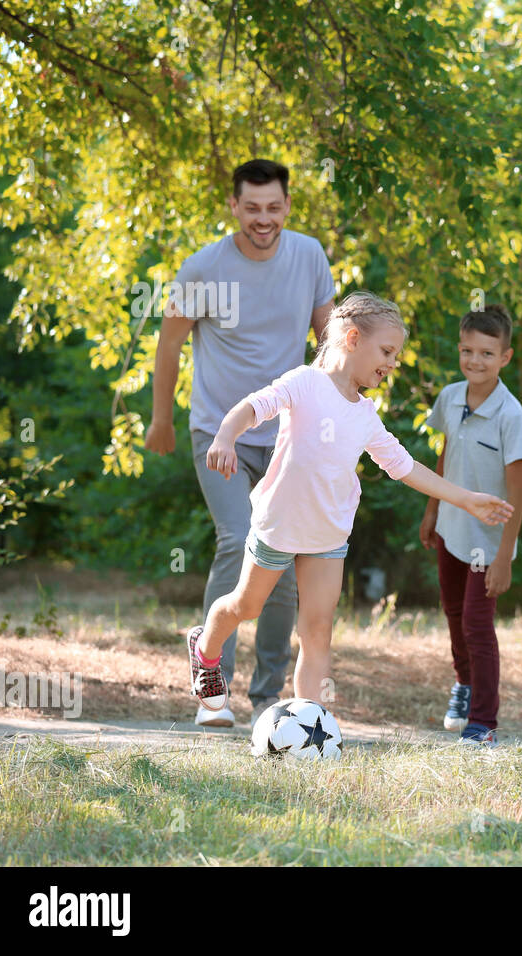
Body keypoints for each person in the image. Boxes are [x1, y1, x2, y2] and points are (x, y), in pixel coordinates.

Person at [185, 293, 514, 717]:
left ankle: (310, 725)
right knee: (245, 607)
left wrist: (466, 499)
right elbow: (253, 407)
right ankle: (205, 648)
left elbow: (406, 466)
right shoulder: (305, 382)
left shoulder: (365, 414)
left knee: (318, 630)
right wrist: (226, 437)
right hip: (279, 525)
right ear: (353, 338)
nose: (393, 362)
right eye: (387, 351)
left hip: (328, 536)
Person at [145, 158, 334, 728]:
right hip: (218, 430)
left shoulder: (309, 256)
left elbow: (329, 347)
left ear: (287, 206)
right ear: (234, 206)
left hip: (286, 434)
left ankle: (270, 696)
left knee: (279, 556)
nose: (263, 218)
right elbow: (170, 347)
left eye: (273, 207)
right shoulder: (204, 269)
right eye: (252, 207)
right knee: (237, 538)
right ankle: (212, 686)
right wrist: (161, 420)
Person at [419, 305, 522, 748]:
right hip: (451, 527)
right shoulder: (449, 397)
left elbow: (518, 492)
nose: (475, 361)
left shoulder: (511, 415)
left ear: (505, 357)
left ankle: (483, 723)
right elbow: (444, 459)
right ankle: (463, 686)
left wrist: (505, 555)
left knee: (477, 627)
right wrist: (431, 513)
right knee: (452, 613)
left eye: (487, 353)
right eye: (467, 351)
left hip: (490, 541)